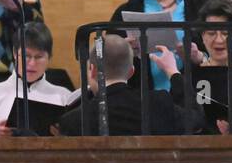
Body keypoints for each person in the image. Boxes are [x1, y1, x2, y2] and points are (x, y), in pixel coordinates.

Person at [149, 0, 232, 134]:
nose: (218, 40)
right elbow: (178, 121)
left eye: (226, 33)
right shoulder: (190, 76)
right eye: (211, 33)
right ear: (202, 36)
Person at [55, 34, 196, 136]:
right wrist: (173, 72)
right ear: (131, 72)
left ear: (92, 71)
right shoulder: (157, 103)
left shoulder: (74, 120)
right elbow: (195, 119)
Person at [0, 21, 78, 136]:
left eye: (39, 57)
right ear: (15, 54)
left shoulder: (64, 96)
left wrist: (62, 138)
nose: (31, 63)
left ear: (49, 57)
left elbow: (78, 143)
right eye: (26, 56)